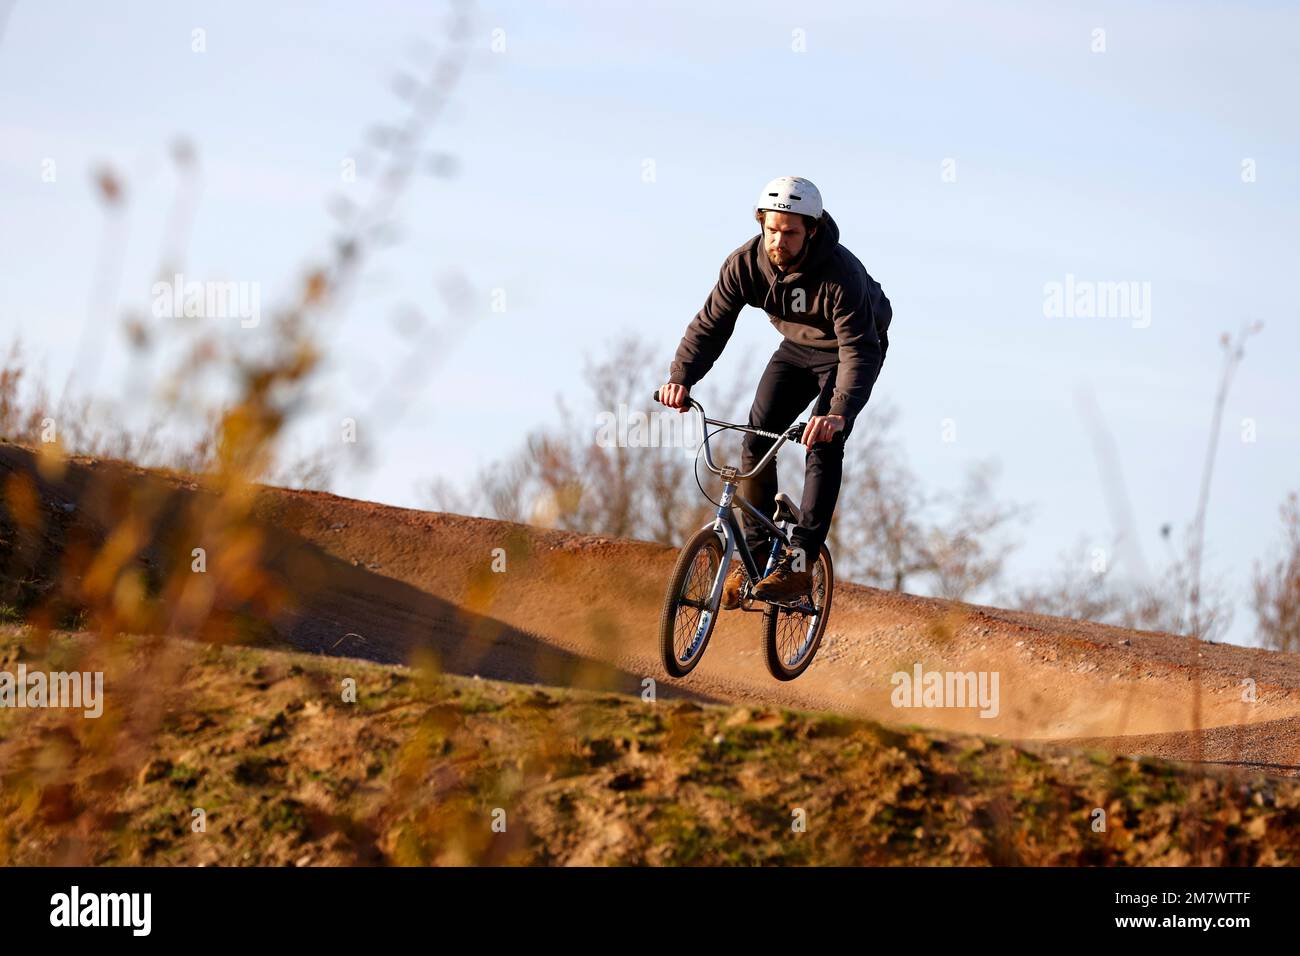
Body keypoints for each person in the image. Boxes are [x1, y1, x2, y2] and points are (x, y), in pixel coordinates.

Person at [657, 176, 891, 604]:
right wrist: (680, 378)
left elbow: (860, 350)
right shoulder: (745, 264)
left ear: (812, 230)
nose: (778, 241)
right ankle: (756, 561)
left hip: (850, 352)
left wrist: (838, 413)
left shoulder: (842, 275)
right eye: (772, 230)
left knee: (822, 444)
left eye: (790, 233)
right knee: (755, 439)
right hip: (796, 350)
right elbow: (711, 324)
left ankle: (799, 564)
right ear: (761, 224)